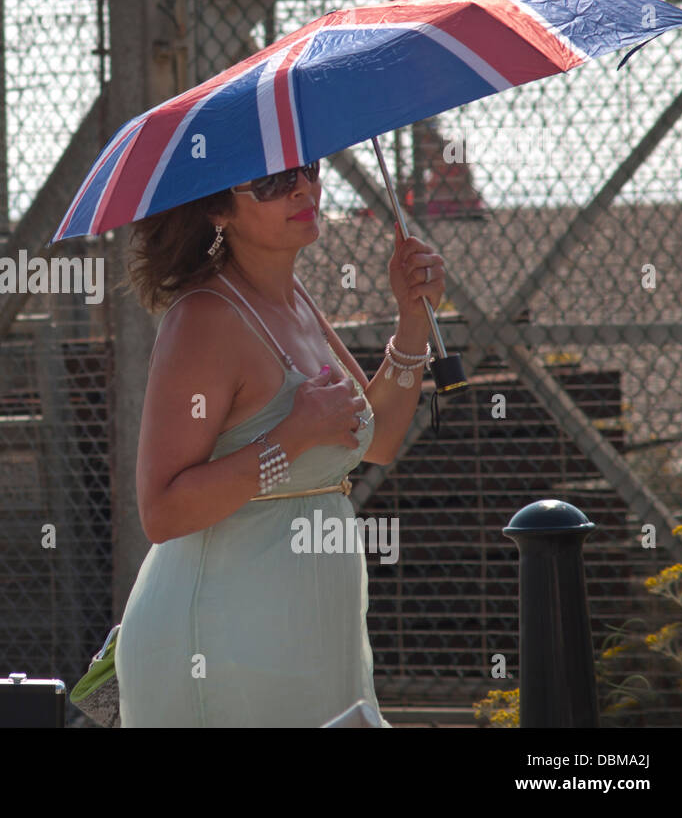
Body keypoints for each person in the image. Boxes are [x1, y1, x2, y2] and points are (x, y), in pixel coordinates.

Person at [113, 160, 446, 727]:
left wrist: (412, 318)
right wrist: (289, 438)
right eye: (271, 181)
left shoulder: (296, 301)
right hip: (223, 645)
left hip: (313, 643)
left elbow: (378, 438)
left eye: (306, 169)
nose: (302, 188)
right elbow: (162, 510)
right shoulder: (203, 321)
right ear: (218, 209)